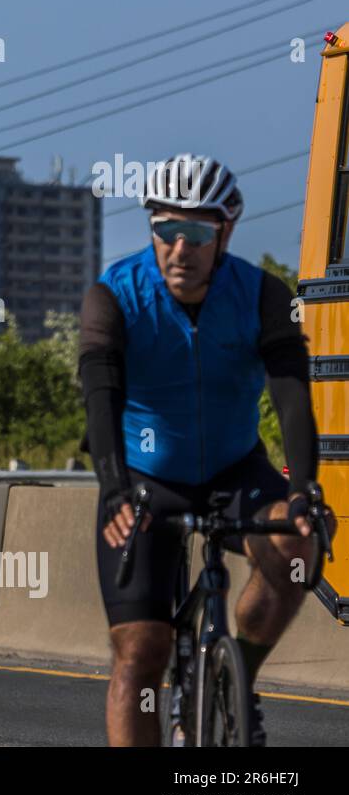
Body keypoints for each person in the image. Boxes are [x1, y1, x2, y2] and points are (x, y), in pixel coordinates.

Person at [80, 153, 328, 746]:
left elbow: (293, 396)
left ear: (226, 233)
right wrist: (113, 486)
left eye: (196, 233)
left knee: (299, 538)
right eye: (166, 231)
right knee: (142, 651)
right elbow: (101, 398)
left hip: (235, 469)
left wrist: (302, 491)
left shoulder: (262, 294)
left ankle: (236, 675)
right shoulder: (115, 295)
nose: (180, 249)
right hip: (144, 479)